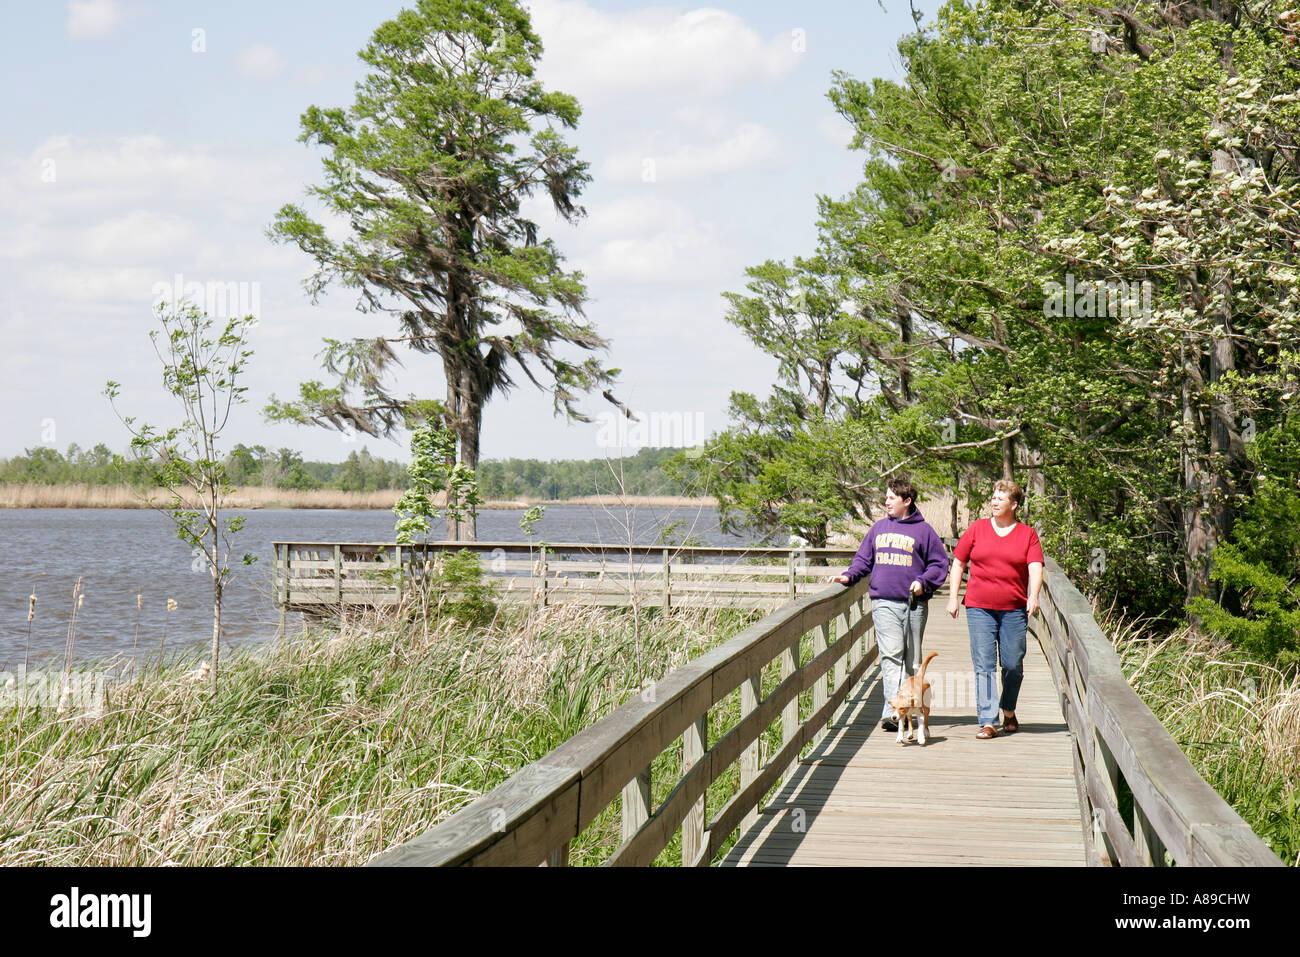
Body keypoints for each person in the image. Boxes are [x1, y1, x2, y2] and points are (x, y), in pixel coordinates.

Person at [829, 478, 949, 732]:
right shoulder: (878, 528)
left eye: (892, 498)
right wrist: (849, 575)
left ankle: (907, 709)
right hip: (883, 601)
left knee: (912, 659)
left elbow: (939, 564)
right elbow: (863, 559)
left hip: (915, 604)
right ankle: (891, 712)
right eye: (886, 497)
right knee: (891, 655)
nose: (886, 501)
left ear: (907, 501)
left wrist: (923, 582)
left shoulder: (924, 531)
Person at [945, 479, 1044, 739]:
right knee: (984, 664)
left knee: (1013, 664)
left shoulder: (1027, 534)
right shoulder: (977, 529)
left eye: (1000, 498)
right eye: (993, 497)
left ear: (1014, 504)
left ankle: (1008, 709)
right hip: (979, 607)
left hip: (1013, 609)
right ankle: (988, 720)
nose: (994, 501)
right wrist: (954, 597)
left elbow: (1035, 567)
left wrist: (1033, 595)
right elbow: (958, 563)